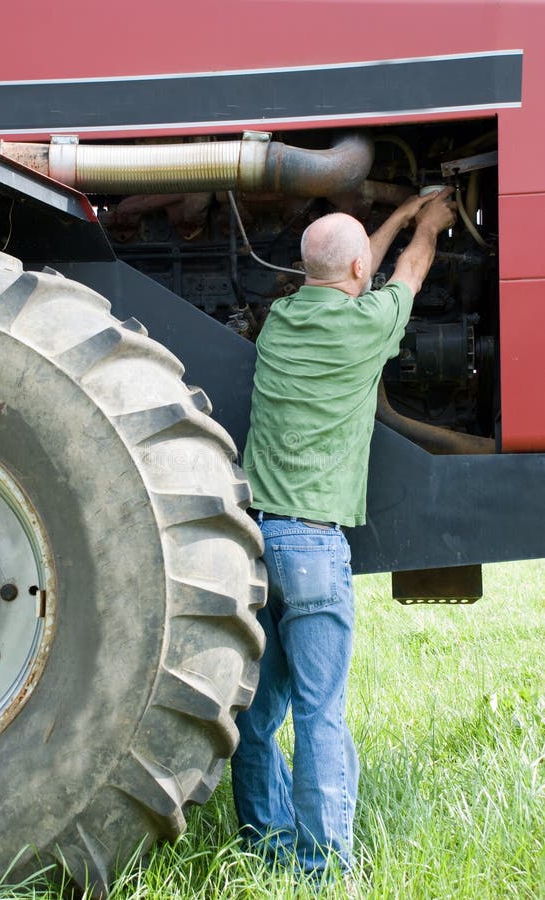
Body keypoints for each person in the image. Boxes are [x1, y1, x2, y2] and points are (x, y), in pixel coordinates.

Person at [231, 188, 457, 876]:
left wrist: (393, 218)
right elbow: (409, 272)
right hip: (312, 549)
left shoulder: (281, 321)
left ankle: (265, 846)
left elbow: (355, 268)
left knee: (257, 716)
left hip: (253, 546)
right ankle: (322, 869)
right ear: (360, 273)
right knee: (320, 715)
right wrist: (432, 223)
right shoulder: (366, 328)